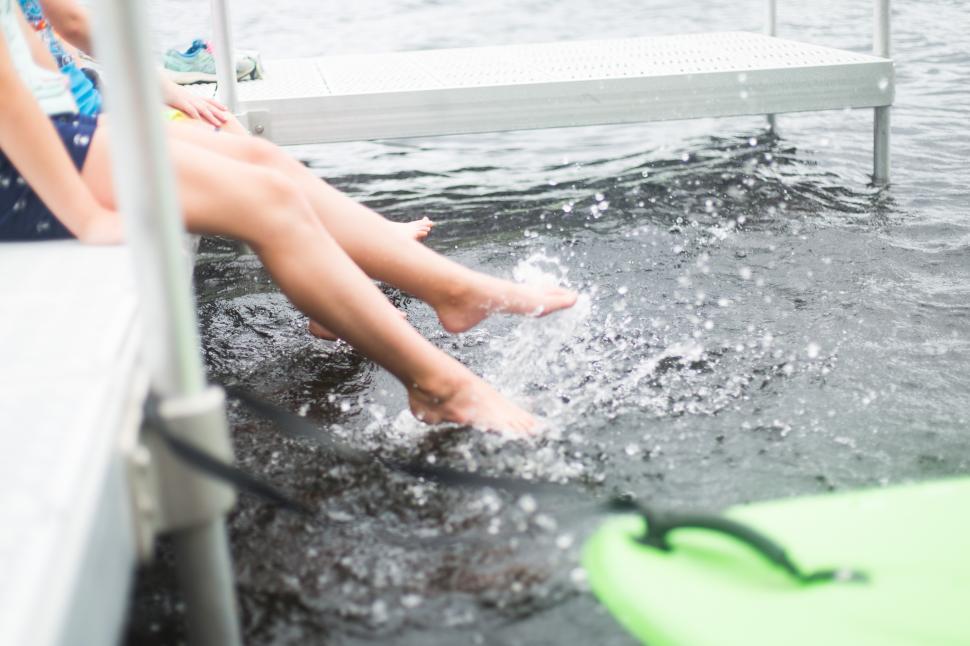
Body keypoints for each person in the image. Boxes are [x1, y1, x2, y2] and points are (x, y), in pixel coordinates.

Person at [0, 0, 577, 434]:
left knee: (262, 161)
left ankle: (448, 290)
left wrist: (156, 95)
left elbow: (56, 28)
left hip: (65, 118)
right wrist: (81, 213)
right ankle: (440, 385)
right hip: (28, 152)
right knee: (267, 203)